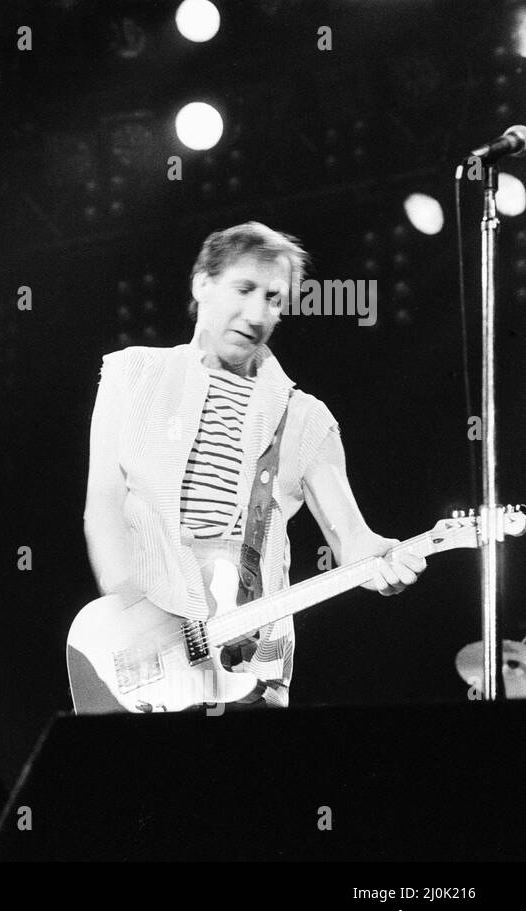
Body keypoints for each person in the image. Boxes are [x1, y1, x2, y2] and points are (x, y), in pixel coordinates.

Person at [82, 222, 425, 708]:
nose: (257, 313)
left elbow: (352, 539)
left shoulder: (305, 418)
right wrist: (133, 610)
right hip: (145, 657)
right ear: (202, 283)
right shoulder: (132, 373)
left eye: (274, 299)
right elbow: (104, 506)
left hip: (250, 669)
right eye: (244, 289)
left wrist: (384, 562)